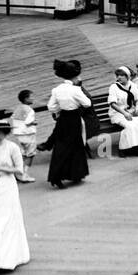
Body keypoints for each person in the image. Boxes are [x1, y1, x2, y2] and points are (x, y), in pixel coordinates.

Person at [0, 119, 30, 272]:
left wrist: (1, 167)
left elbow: (19, 170)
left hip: (7, 184)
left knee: (6, 219)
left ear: (5, 133)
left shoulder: (12, 147)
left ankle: (6, 259)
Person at [43, 59, 90, 188]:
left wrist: (61, 108)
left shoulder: (56, 90)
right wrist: (75, 103)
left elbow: (51, 107)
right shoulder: (75, 90)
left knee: (61, 147)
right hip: (74, 118)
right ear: (74, 76)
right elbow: (87, 103)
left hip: (63, 118)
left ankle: (55, 176)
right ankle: (76, 173)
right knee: (76, 146)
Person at [106, 66, 138, 157]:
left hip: (130, 111)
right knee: (130, 125)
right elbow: (112, 104)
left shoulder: (132, 85)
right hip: (117, 113)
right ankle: (123, 149)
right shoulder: (114, 87)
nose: (119, 77)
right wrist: (125, 113)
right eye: (118, 75)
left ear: (127, 76)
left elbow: (137, 99)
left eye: (122, 75)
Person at [11, 90, 38, 182]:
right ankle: (24, 174)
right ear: (26, 99)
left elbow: (14, 119)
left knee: (21, 155)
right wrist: (34, 122)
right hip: (28, 134)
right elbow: (28, 122)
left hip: (18, 134)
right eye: (31, 97)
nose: (33, 98)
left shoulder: (18, 108)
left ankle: (17, 173)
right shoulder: (30, 110)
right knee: (30, 155)